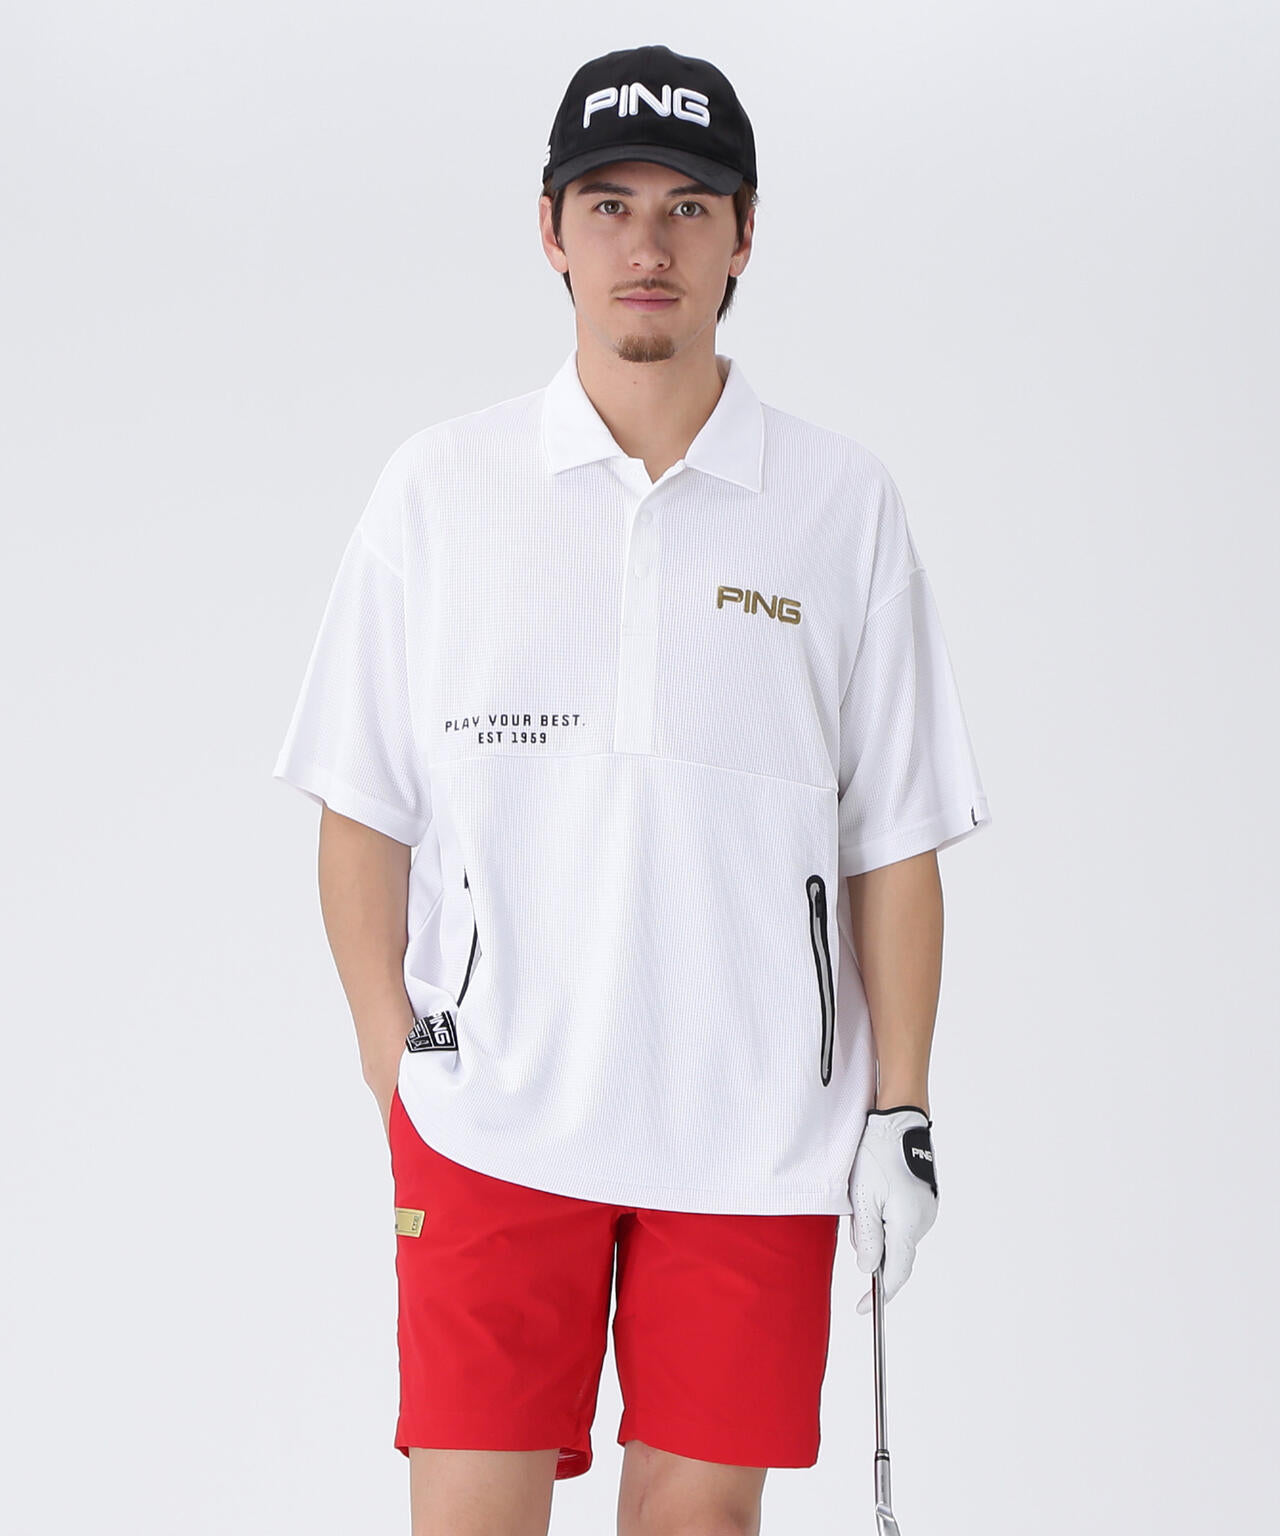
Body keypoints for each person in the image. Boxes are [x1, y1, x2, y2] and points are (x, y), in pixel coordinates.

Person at [273, 41, 991, 1536]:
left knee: (699, 1522)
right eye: (608, 206)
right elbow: (360, 803)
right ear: (550, 230)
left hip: (754, 1128)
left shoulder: (840, 505)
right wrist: (398, 1065)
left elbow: (895, 838)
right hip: (492, 1119)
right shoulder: (441, 488)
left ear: (745, 234)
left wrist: (901, 1111)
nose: (647, 245)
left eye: (688, 207)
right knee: (467, 1513)